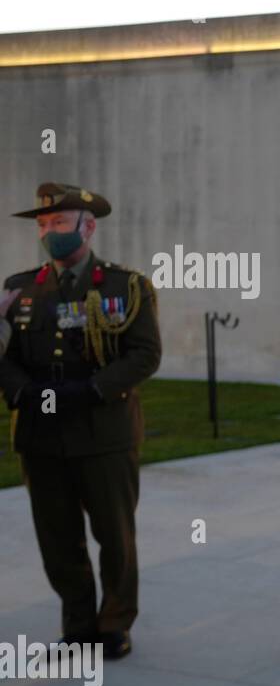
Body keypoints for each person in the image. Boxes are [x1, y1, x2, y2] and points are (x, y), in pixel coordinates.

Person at [0, 182, 162, 659]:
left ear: (87, 227)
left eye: (59, 223)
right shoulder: (19, 287)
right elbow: (4, 354)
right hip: (40, 431)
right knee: (57, 535)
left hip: (102, 430)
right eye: (43, 225)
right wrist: (24, 391)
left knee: (114, 534)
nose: (50, 232)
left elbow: (145, 355)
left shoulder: (125, 286)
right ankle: (77, 624)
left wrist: (90, 390)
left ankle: (114, 622)